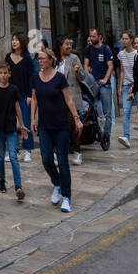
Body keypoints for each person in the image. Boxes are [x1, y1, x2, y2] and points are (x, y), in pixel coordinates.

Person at [31, 45, 83, 214]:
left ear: (51, 60)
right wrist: (32, 119)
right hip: (45, 125)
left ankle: (67, 197)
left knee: (62, 161)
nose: (40, 61)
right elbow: (34, 99)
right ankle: (57, 183)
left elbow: (68, 100)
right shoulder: (36, 78)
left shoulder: (60, 78)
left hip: (61, 125)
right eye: (38, 58)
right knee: (46, 159)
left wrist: (76, 119)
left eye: (42, 58)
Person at [0, 61, 28, 200]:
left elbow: (18, 108)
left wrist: (22, 125)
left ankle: (18, 186)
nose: (3, 75)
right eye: (0, 73)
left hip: (11, 127)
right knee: (0, 155)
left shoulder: (14, 89)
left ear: (9, 74)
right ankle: (1, 181)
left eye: (5, 73)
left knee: (13, 157)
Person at [5, 33, 34, 163]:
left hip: (23, 95)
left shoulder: (27, 58)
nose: (14, 42)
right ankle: (14, 150)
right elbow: (5, 76)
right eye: (13, 40)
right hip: (9, 95)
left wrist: (29, 95)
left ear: (22, 42)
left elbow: (30, 78)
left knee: (25, 123)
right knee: (10, 123)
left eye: (17, 39)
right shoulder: (8, 57)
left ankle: (27, 151)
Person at [56, 36, 84, 165]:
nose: (69, 47)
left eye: (70, 44)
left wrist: (78, 71)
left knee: (73, 124)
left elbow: (82, 77)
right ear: (60, 45)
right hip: (57, 97)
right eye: (66, 44)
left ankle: (77, 152)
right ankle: (58, 152)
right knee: (57, 125)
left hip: (71, 96)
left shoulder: (74, 58)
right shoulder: (54, 60)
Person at [83, 27, 114, 141]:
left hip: (104, 84)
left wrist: (105, 79)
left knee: (108, 111)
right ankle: (99, 134)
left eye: (93, 36)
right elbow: (85, 64)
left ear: (99, 37)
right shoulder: (88, 49)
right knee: (94, 109)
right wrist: (87, 77)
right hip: (93, 85)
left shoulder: (106, 49)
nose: (91, 38)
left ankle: (107, 135)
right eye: (90, 36)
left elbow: (110, 66)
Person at [117, 30, 137, 149]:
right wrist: (120, 86)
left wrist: (135, 87)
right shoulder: (121, 54)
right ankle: (126, 137)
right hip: (126, 86)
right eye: (122, 39)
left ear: (131, 40)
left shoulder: (136, 54)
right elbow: (122, 71)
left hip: (137, 86)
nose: (124, 41)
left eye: (126, 39)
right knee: (126, 111)